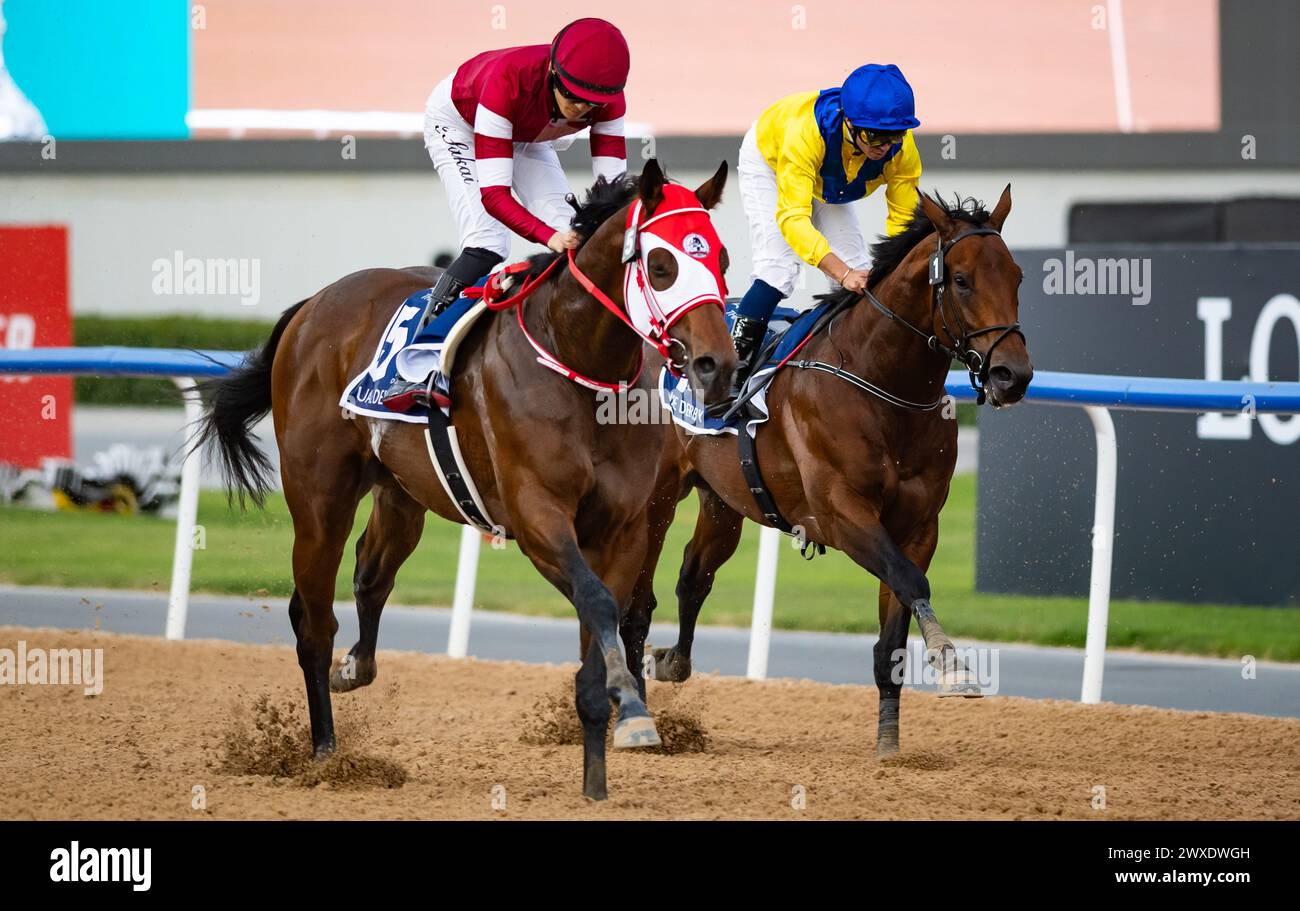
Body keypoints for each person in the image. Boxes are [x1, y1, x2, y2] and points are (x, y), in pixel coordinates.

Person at [383, 17, 630, 410]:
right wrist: (547, 237)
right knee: (488, 242)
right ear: (553, 71)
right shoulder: (506, 83)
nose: (582, 110)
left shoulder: (608, 99)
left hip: (526, 134)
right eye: (575, 98)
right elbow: (494, 197)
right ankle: (418, 364)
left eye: (592, 104)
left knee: (582, 238)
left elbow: (613, 193)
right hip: (463, 122)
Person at [711, 63, 922, 414]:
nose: (884, 148)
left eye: (894, 136)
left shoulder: (902, 150)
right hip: (772, 160)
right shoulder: (805, 132)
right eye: (873, 136)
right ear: (849, 122)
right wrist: (841, 274)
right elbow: (794, 219)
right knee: (779, 270)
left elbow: (903, 226)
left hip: (830, 184)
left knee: (862, 273)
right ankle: (727, 379)